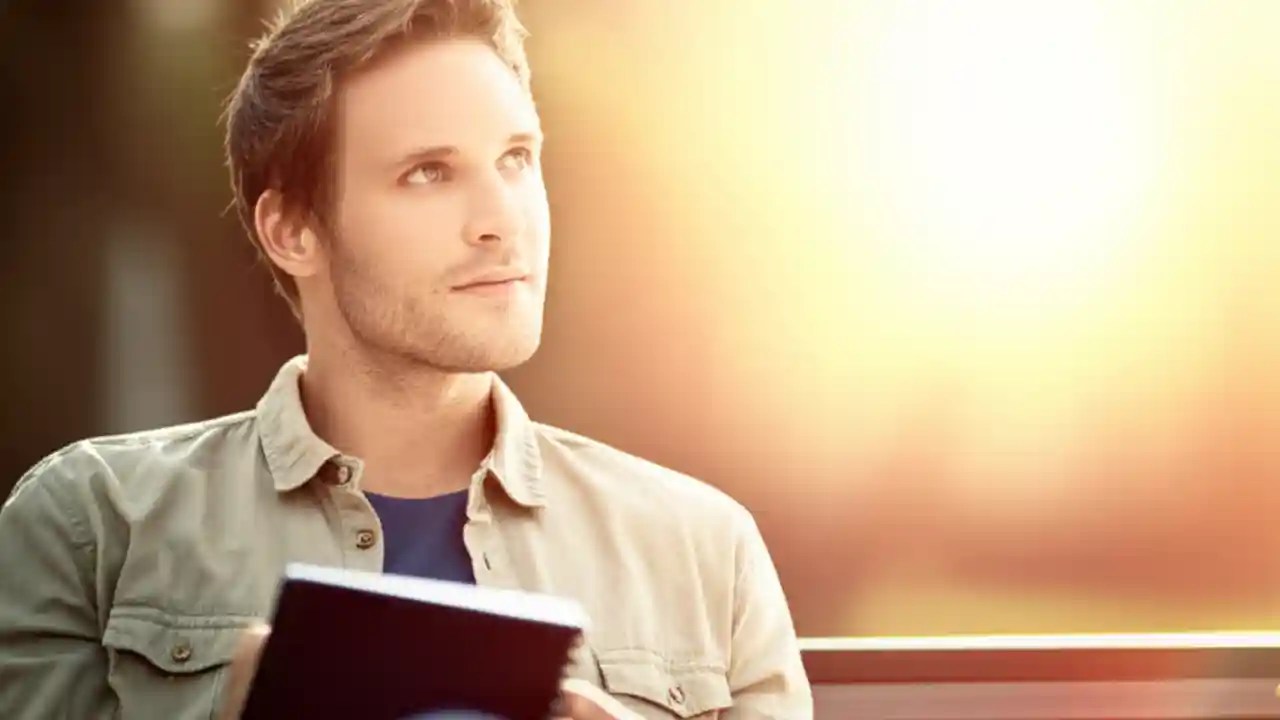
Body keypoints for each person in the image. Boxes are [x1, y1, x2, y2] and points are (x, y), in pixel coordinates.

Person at [0, 1, 812, 718]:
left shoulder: (706, 551)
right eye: (428, 173)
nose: (501, 220)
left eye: (516, 159)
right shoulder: (90, 528)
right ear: (292, 232)